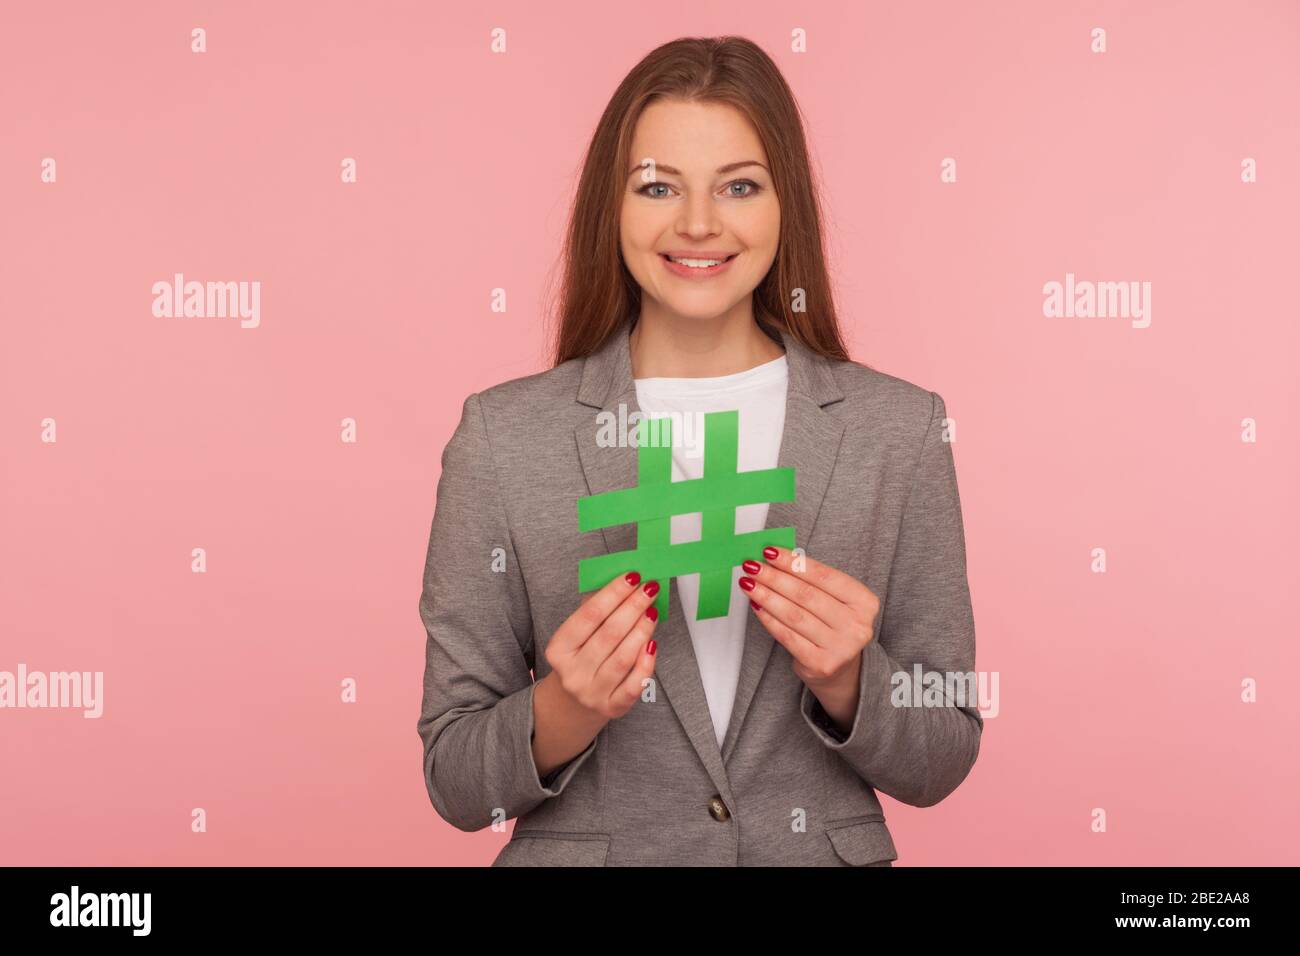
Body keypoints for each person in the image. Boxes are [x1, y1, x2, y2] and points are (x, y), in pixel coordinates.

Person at [417, 35, 981, 866]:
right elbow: (456, 782)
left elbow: (944, 754)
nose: (698, 224)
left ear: (784, 203)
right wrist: (564, 709)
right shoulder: (503, 439)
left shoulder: (896, 431)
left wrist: (853, 681)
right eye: (658, 187)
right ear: (612, 206)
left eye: (739, 186)